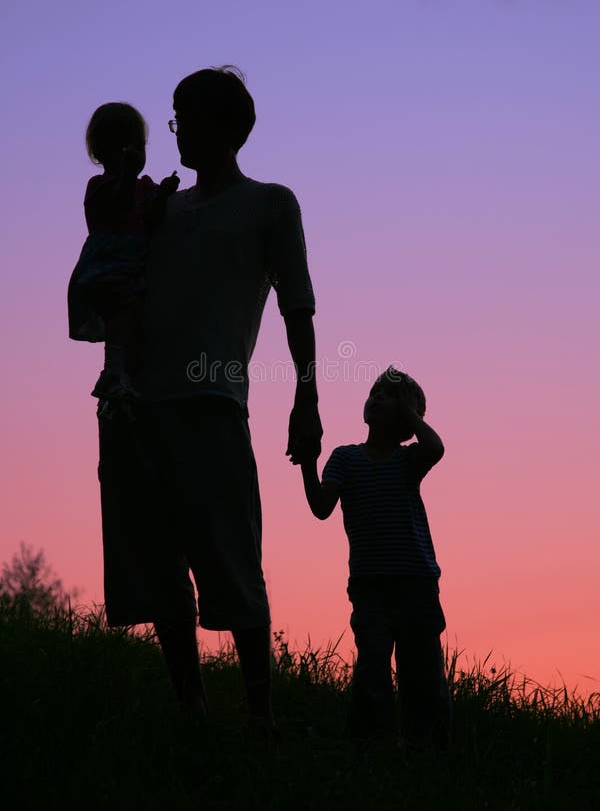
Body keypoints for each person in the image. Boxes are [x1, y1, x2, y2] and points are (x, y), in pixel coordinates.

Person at [95, 66, 322, 736]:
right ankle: (190, 707)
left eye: (189, 119)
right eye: (176, 119)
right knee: (155, 562)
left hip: (213, 400)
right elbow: (114, 273)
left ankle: (260, 716)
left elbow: (298, 305)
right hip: (138, 403)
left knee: (231, 560)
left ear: (230, 127)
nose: (179, 132)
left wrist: (306, 399)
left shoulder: (271, 204)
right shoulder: (161, 209)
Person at [298, 367, 451, 746]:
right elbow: (321, 506)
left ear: (406, 418)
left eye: (391, 396)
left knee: (423, 671)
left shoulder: (408, 460)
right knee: (373, 668)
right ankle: (372, 742)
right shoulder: (345, 458)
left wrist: (411, 413)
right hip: (369, 586)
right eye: (377, 392)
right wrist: (307, 462)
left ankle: (428, 745)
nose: (380, 398)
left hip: (416, 582)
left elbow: (436, 448)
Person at [67, 102, 179, 400]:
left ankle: (123, 372)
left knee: (135, 318)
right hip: (110, 265)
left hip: (135, 264)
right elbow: (118, 208)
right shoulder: (99, 185)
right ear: (100, 152)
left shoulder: (145, 186)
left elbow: (152, 220)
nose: (133, 155)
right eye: (122, 147)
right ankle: (113, 372)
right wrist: (128, 177)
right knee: (121, 309)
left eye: (139, 147)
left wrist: (164, 194)